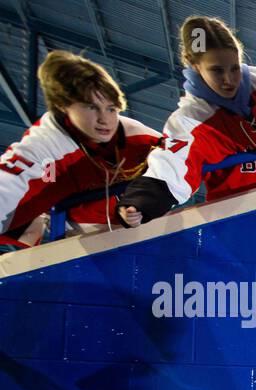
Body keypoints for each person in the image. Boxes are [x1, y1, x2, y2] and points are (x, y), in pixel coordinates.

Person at [117, 15, 256, 225]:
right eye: (216, 71)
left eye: (234, 68)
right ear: (195, 66)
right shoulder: (189, 120)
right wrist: (139, 205)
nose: (228, 80)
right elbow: (170, 167)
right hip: (234, 212)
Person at [0, 51, 162, 250]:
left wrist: (141, 201)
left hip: (138, 229)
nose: (104, 119)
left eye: (111, 109)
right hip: (77, 238)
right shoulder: (44, 147)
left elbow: (182, 163)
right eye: (91, 108)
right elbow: (7, 183)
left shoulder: (140, 137)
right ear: (63, 106)